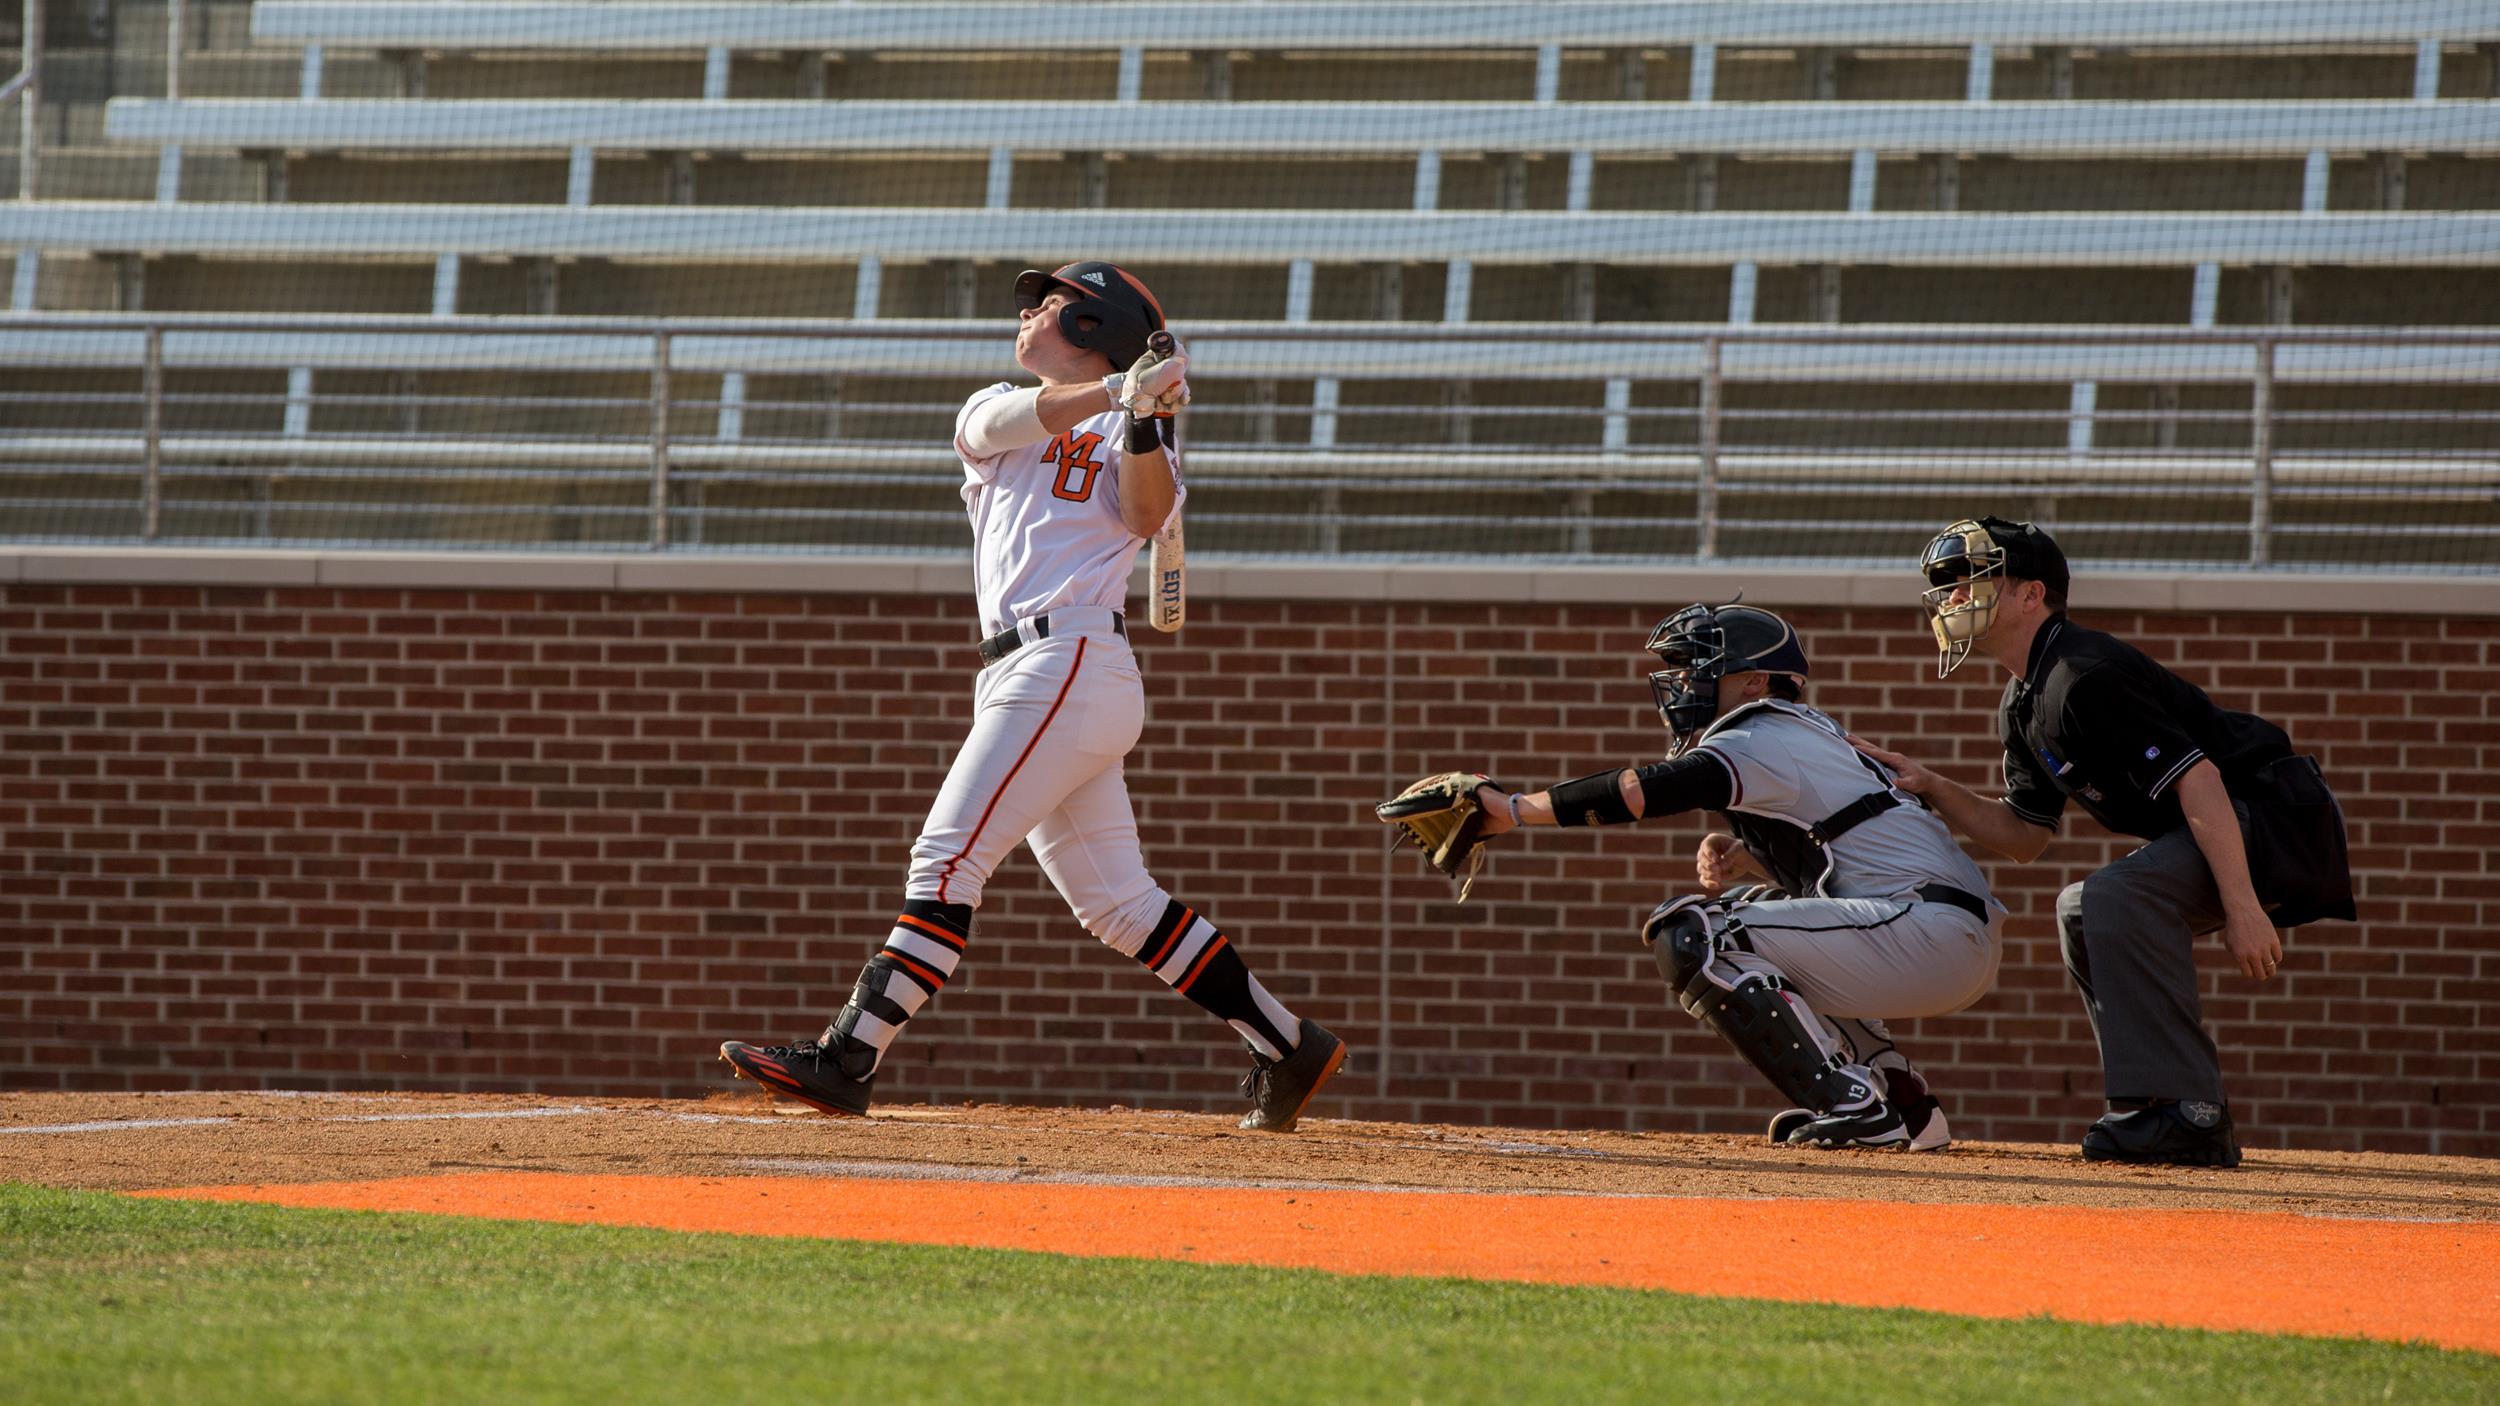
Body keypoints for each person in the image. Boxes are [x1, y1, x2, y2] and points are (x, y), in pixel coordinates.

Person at [720, 262, 1346, 1131]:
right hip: (1031, 675)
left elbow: (1144, 517)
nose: (1028, 311)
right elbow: (1015, 419)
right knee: (1119, 905)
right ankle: (1289, 1044)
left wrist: (1140, 419)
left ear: (1095, 328)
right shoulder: (997, 406)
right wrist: (1121, 393)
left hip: (1070, 659)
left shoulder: (1139, 432)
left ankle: (847, 1055)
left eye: (1050, 304)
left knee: (946, 860)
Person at [1851, 517, 2353, 1168]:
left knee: (2114, 896)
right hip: (2229, 822)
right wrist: (1932, 786)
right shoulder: (2024, 703)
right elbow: (2025, 836)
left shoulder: (2082, 675)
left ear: (2031, 594)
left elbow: (2198, 779)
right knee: (2082, 909)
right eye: (1945, 587)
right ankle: (2148, 1107)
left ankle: (2190, 1112)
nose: (1951, 599)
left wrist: (2242, 905)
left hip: (2275, 816)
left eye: (1969, 581)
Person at [1419, 600, 2005, 1150]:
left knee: (1696, 932)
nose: (1681, 682)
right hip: (1938, 929)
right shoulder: (1803, 732)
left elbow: (1645, 791)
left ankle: (1851, 1102)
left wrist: (1514, 810)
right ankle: (1903, 1103)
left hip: (1927, 930)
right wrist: (1753, 857)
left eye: (1696, 667)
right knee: (1752, 918)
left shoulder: (1762, 728)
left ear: (1754, 681)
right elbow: (1850, 853)